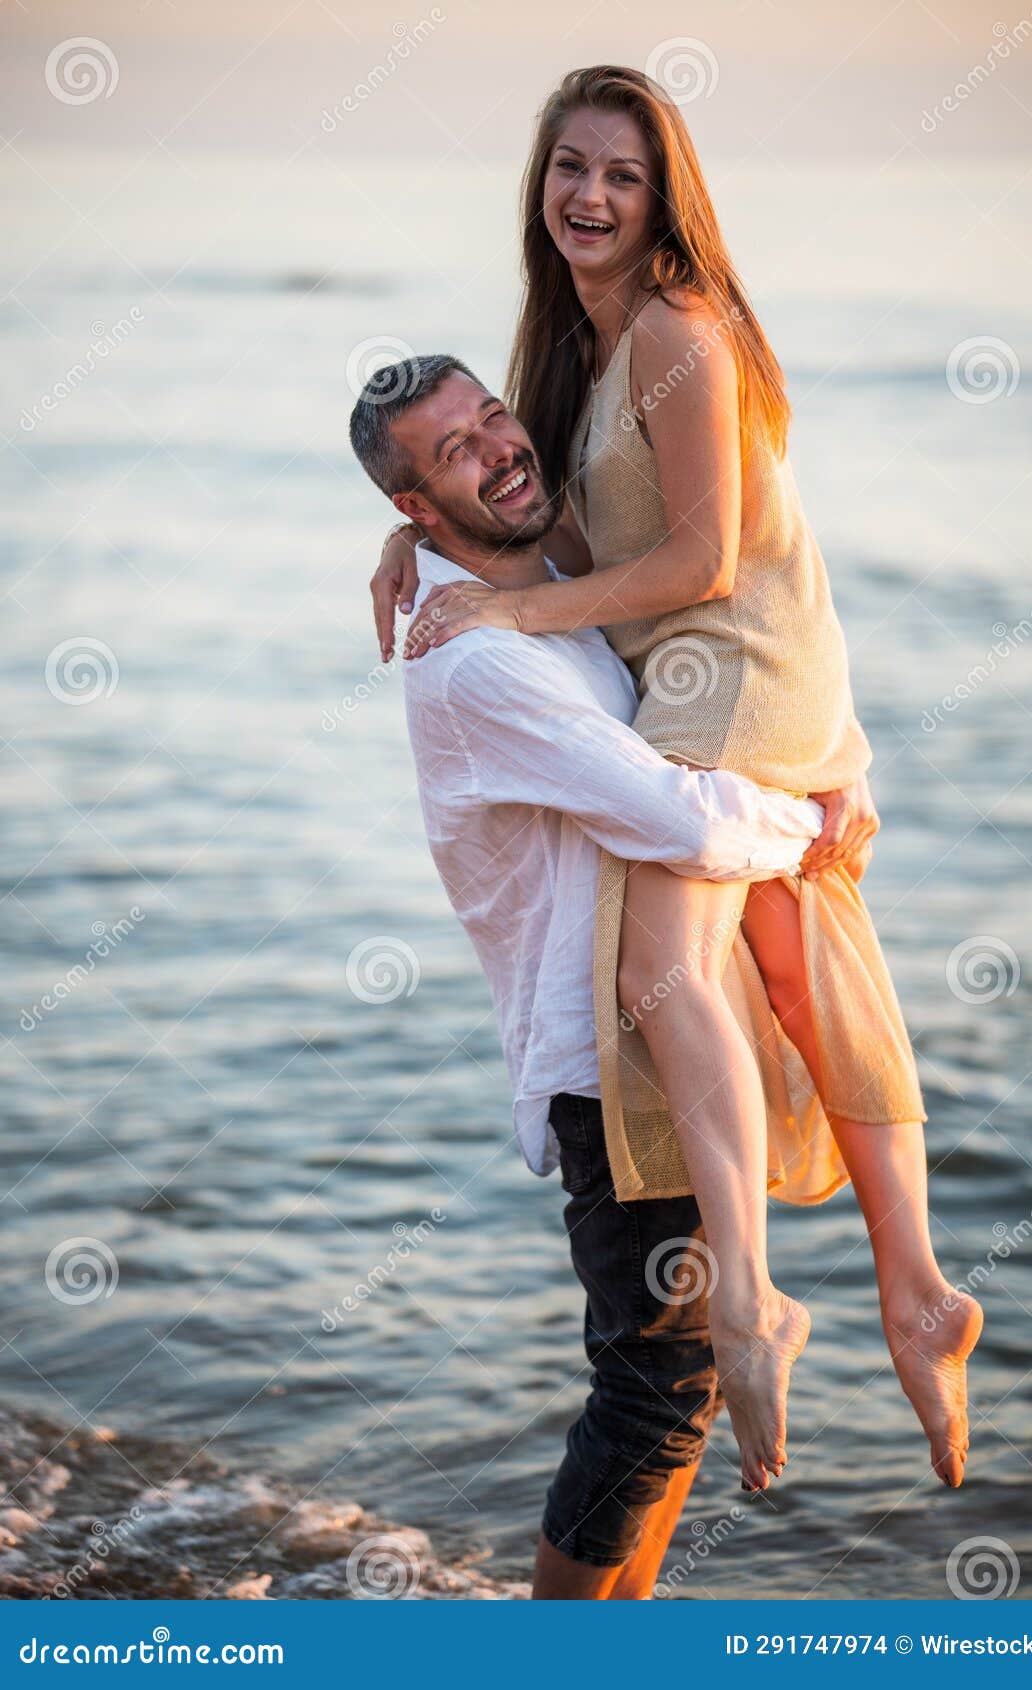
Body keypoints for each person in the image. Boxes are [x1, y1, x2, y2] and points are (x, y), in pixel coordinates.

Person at [374, 66, 982, 1494]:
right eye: (568, 168)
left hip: (737, 660)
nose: (588, 196)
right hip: (703, 670)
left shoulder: (680, 331)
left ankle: (756, 1296)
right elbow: (558, 526)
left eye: (622, 176)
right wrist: (418, 544)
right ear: (541, 185)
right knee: (788, 944)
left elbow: (701, 562)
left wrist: (510, 613)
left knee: (664, 959)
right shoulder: (580, 348)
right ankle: (913, 1292)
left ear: (663, 200)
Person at [349, 353, 845, 1597]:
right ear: (416, 506)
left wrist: (407, 533)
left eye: (490, 418)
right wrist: (819, 810)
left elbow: (697, 576)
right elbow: (676, 818)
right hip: (600, 1065)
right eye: (453, 452)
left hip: (666, 1031)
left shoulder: (555, 578)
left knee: (665, 1391)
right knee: (648, 1391)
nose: (498, 449)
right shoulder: (474, 664)